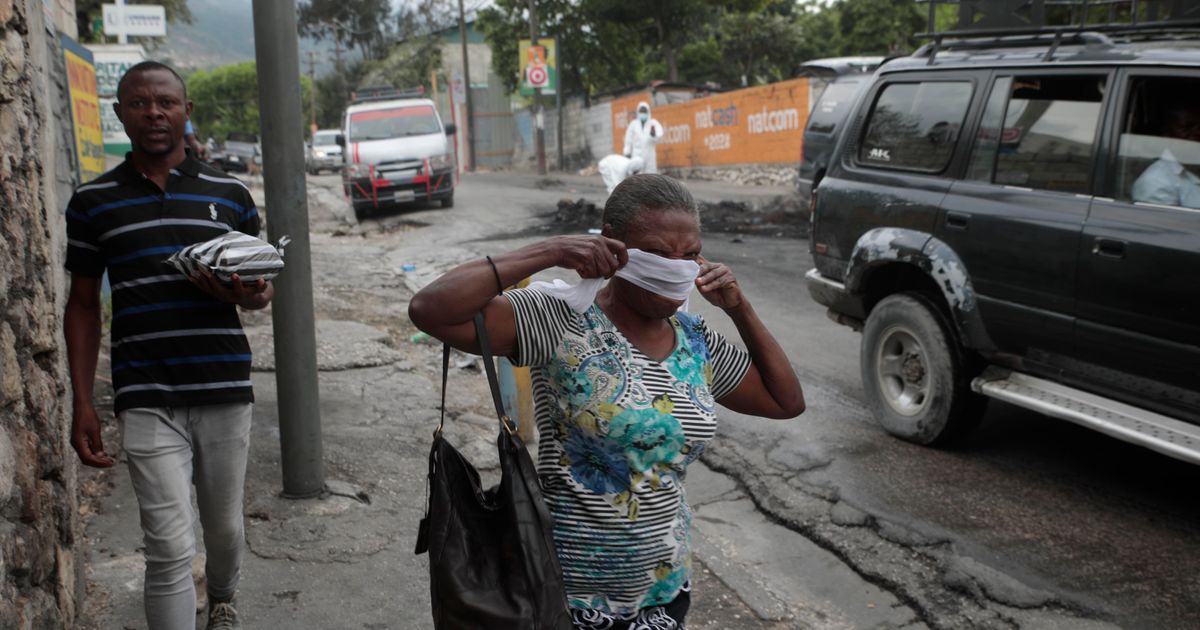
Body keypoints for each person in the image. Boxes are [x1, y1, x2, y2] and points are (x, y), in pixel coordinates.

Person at [408, 174, 804, 629]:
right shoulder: (559, 320)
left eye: (690, 254)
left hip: (664, 590)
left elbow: (784, 400)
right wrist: (552, 251)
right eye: (657, 253)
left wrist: (739, 307)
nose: (677, 268)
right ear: (613, 246)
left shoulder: (695, 341)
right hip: (564, 594)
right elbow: (431, 309)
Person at [64, 60, 271, 630]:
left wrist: (242, 291)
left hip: (222, 386)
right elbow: (83, 305)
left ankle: (223, 597)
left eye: (165, 103)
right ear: (120, 113)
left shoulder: (229, 194)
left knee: (224, 529)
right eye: (138, 102)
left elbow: (261, 291)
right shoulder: (93, 201)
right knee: (167, 548)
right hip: (146, 393)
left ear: (185, 111)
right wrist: (83, 401)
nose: (153, 112)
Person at [1131, 105, 1200, 209]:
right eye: (1187, 127)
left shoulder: (1194, 166)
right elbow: (1168, 224)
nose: (1197, 133)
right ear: (1167, 134)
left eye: (1199, 127)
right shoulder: (1156, 181)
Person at [623, 101, 664, 175]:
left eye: (644, 111)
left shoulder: (653, 123)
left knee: (650, 177)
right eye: (641, 111)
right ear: (638, 112)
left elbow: (659, 135)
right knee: (638, 177)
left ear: (648, 112)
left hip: (650, 156)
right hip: (637, 155)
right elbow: (628, 139)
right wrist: (627, 152)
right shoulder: (633, 124)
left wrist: (653, 135)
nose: (643, 113)